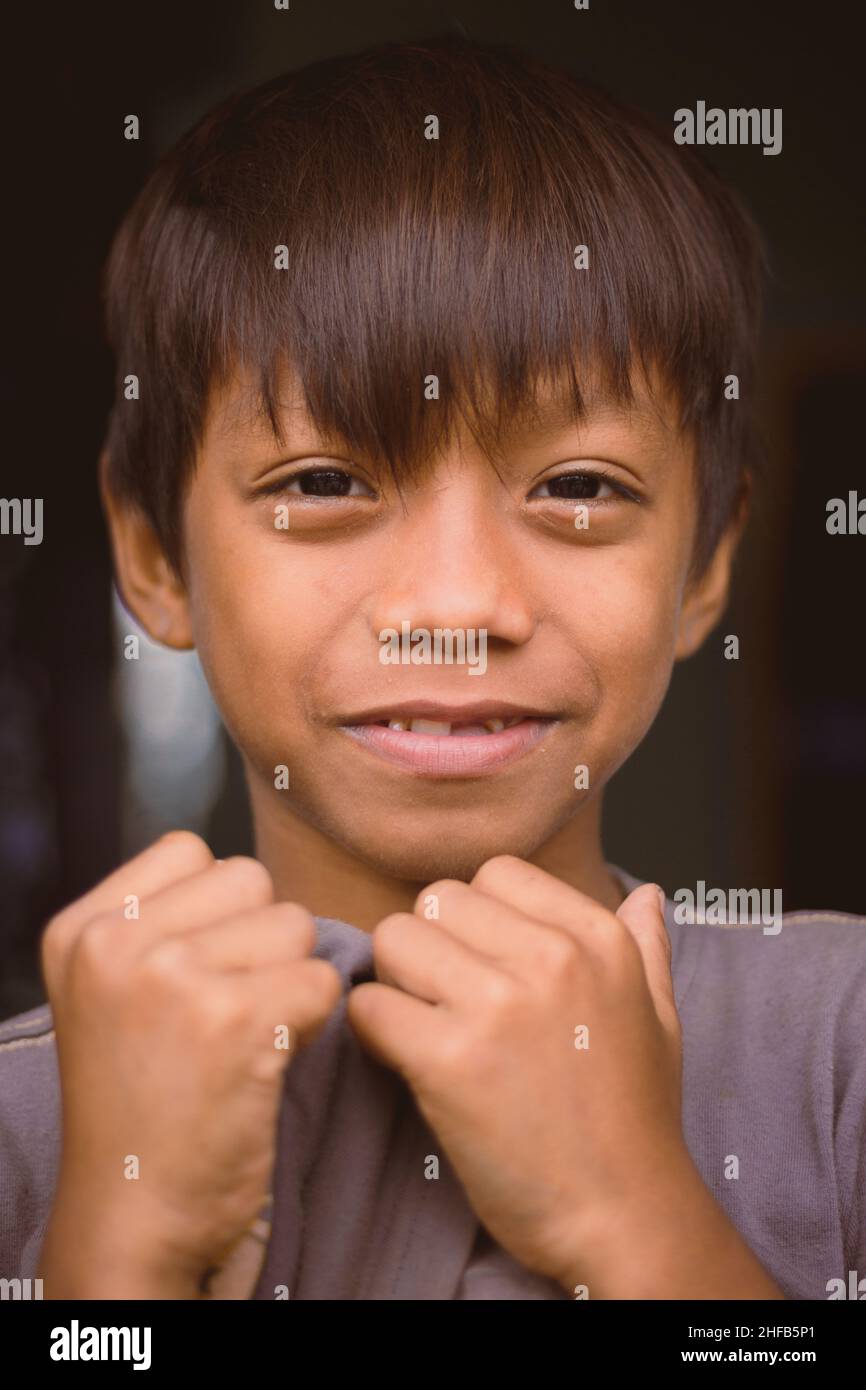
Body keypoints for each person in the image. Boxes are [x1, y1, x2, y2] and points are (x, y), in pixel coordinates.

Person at [1, 33, 864, 1301]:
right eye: (324, 483)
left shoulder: (835, 1046)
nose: (458, 607)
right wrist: (118, 1258)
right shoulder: (37, 1117)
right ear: (155, 556)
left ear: (703, 567)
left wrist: (634, 1219)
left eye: (577, 487)